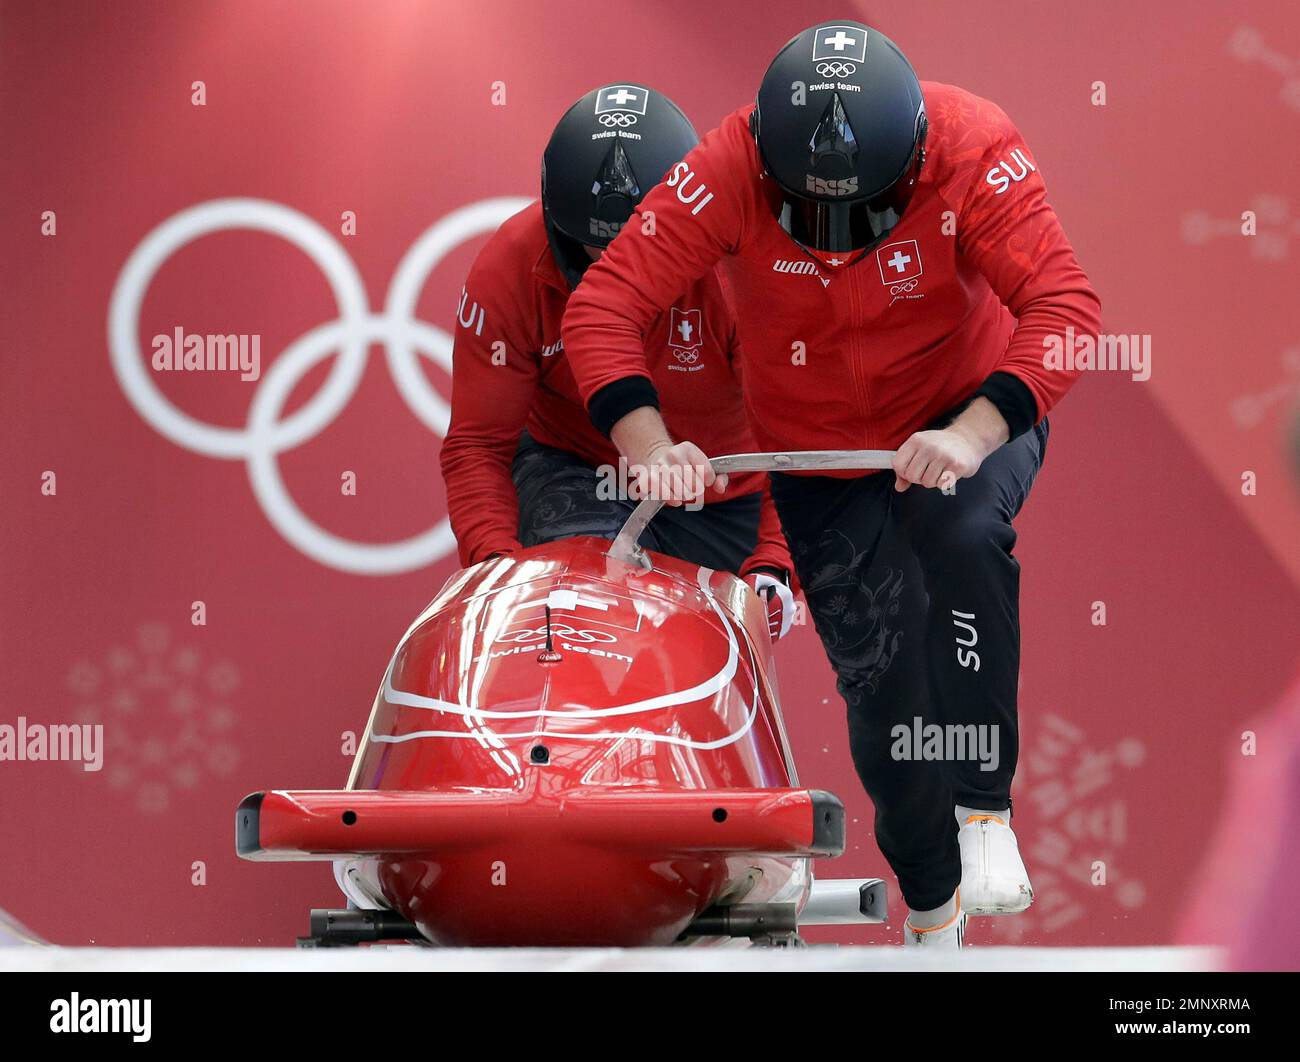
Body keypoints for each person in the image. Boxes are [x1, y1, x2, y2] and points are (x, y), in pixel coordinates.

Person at [561, 24, 1102, 947]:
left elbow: (1065, 309)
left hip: (963, 417)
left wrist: (974, 433)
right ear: (771, 168)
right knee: (881, 687)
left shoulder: (977, 148)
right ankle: (933, 907)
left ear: (917, 160)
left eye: (866, 216)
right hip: (818, 456)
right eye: (812, 216)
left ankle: (985, 813)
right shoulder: (727, 164)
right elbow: (605, 305)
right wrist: (648, 441)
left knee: (960, 534)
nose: (841, 246)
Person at [440, 84, 794, 638]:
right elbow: (479, 444)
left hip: (730, 491)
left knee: (700, 649)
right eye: (596, 251)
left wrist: (774, 562)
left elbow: (795, 435)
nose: (620, 273)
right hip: (582, 470)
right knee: (595, 611)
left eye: (642, 251)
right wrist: (492, 565)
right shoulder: (511, 269)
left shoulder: (742, 271)